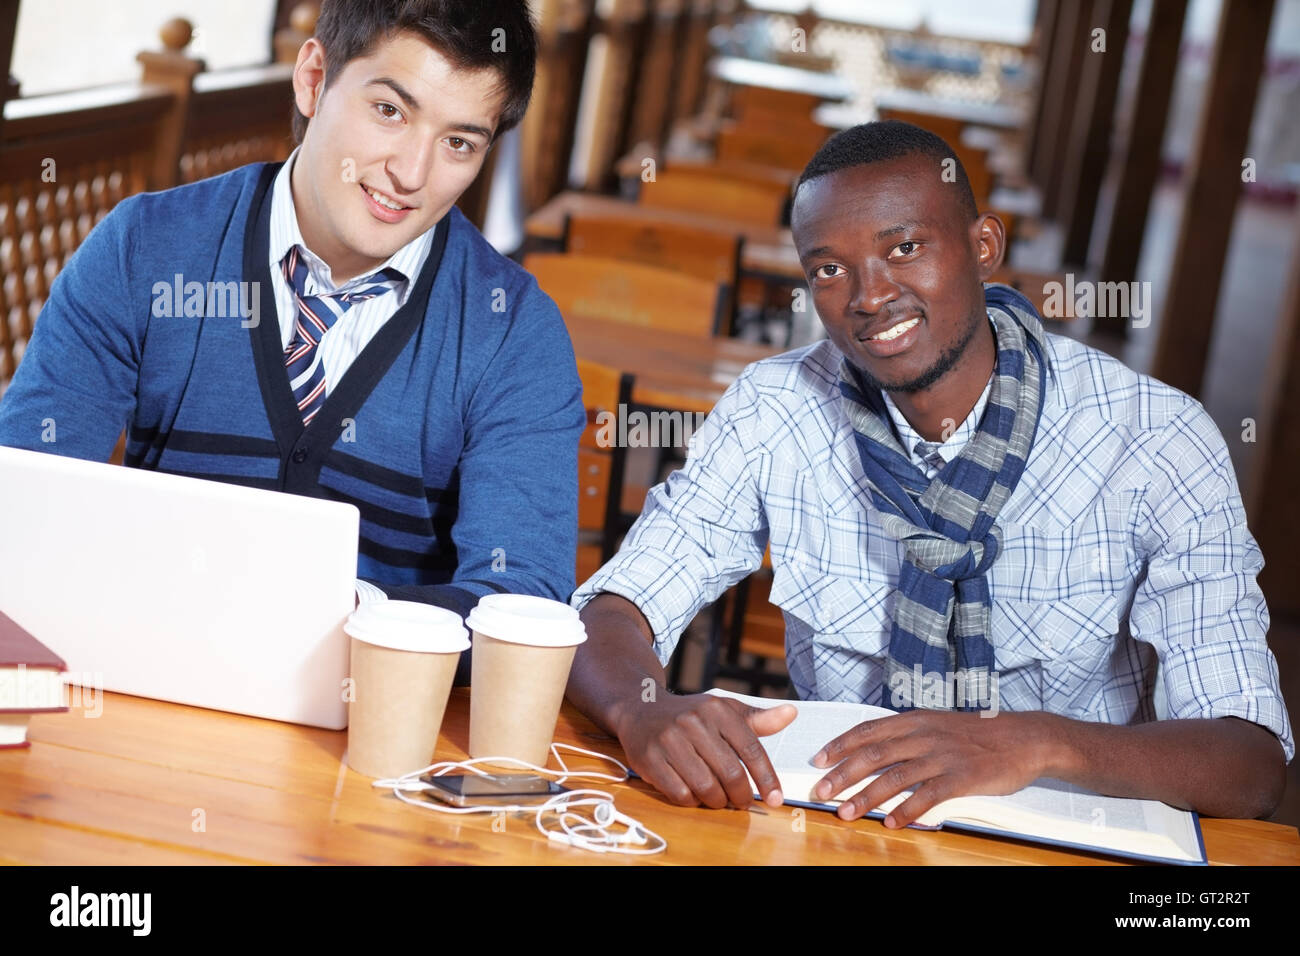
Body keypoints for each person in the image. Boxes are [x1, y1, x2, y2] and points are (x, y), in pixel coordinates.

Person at [567, 121, 1292, 825]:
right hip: (842, 823)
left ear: (983, 246)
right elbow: (614, 607)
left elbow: (1249, 761)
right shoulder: (775, 408)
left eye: (905, 248)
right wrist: (642, 707)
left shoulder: (1155, 439)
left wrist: (1035, 740)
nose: (868, 296)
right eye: (828, 269)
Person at [0, 1, 584, 668]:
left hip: (373, 732)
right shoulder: (147, 251)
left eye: (459, 143)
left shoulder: (515, 333)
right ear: (313, 78)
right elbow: (23, 507)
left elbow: (522, 604)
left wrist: (322, 620)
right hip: (146, 682)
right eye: (390, 111)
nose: (412, 174)